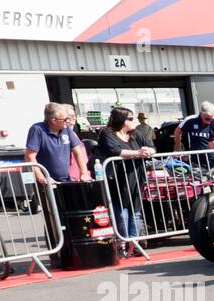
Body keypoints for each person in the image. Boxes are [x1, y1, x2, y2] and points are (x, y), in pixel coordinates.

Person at [93, 106, 154, 257]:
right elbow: (114, 151)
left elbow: (152, 146)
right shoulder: (107, 133)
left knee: (136, 211)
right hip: (117, 177)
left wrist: (148, 151)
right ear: (121, 120)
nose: (134, 122)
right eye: (130, 119)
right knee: (121, 212)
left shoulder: (136, 133)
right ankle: (122, 243)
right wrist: (138, 153)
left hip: (135, 175)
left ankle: (135, 243)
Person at [25, 102, 90, 184]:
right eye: (65, 119)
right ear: (54, 120)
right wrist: (42, 178)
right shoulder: (37, 129)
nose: (68, 121)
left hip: (66, 180)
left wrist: (84, 173)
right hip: (47, 182)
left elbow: (77, 151)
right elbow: (29, 156)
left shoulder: (66, 129)